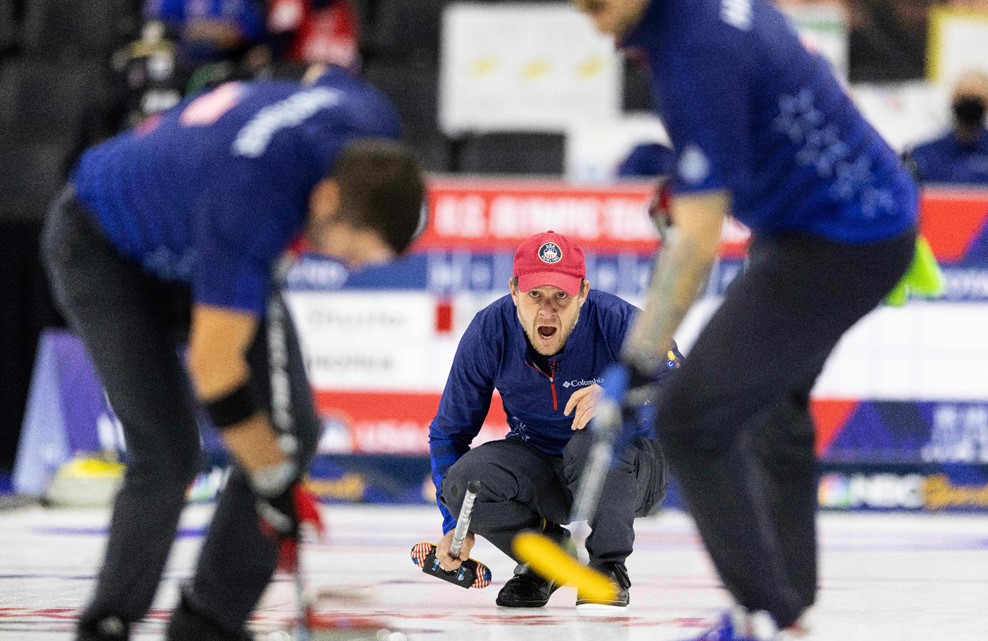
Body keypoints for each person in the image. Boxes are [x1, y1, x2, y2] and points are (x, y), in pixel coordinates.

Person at [571, 1, 919, 639]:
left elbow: (696, 247)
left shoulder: (695, 49)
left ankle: (766, 611)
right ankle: (785, 598)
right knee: (768, 406)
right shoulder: (700, 19)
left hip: (837, 239)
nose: (589, 16)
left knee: (691, 419)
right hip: (855, 213)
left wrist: (637, 360)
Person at [42, 64, 426, 641]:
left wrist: (275, 472)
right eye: (350, 251)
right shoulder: (254, 206)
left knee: (292, 427)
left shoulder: (367, 121)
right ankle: (109, 620)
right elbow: (214, 371)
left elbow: (324, 72)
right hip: (104, 246)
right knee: (168, 450)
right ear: (324, 197)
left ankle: (208, 624)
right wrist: (274, 489)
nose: (346, 266)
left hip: (198, 228)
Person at [428, 231, 675, 612]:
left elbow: (685, 392)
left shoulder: (620, 322)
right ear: (513, 291)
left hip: (629, 469)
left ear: (583, 292)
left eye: (561, 295)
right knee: (463, 481)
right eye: (534, 295)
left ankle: (608, 566)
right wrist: (453, 525)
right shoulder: (489, 331)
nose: (547, 310)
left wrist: (621, 399)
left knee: (595, 440)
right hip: (543, 468)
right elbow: (448, 433)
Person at [906, 70, 988, 187]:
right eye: (964, 97)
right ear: (953, 101)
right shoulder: (923, 155)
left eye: (977, 98)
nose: (969, 103)